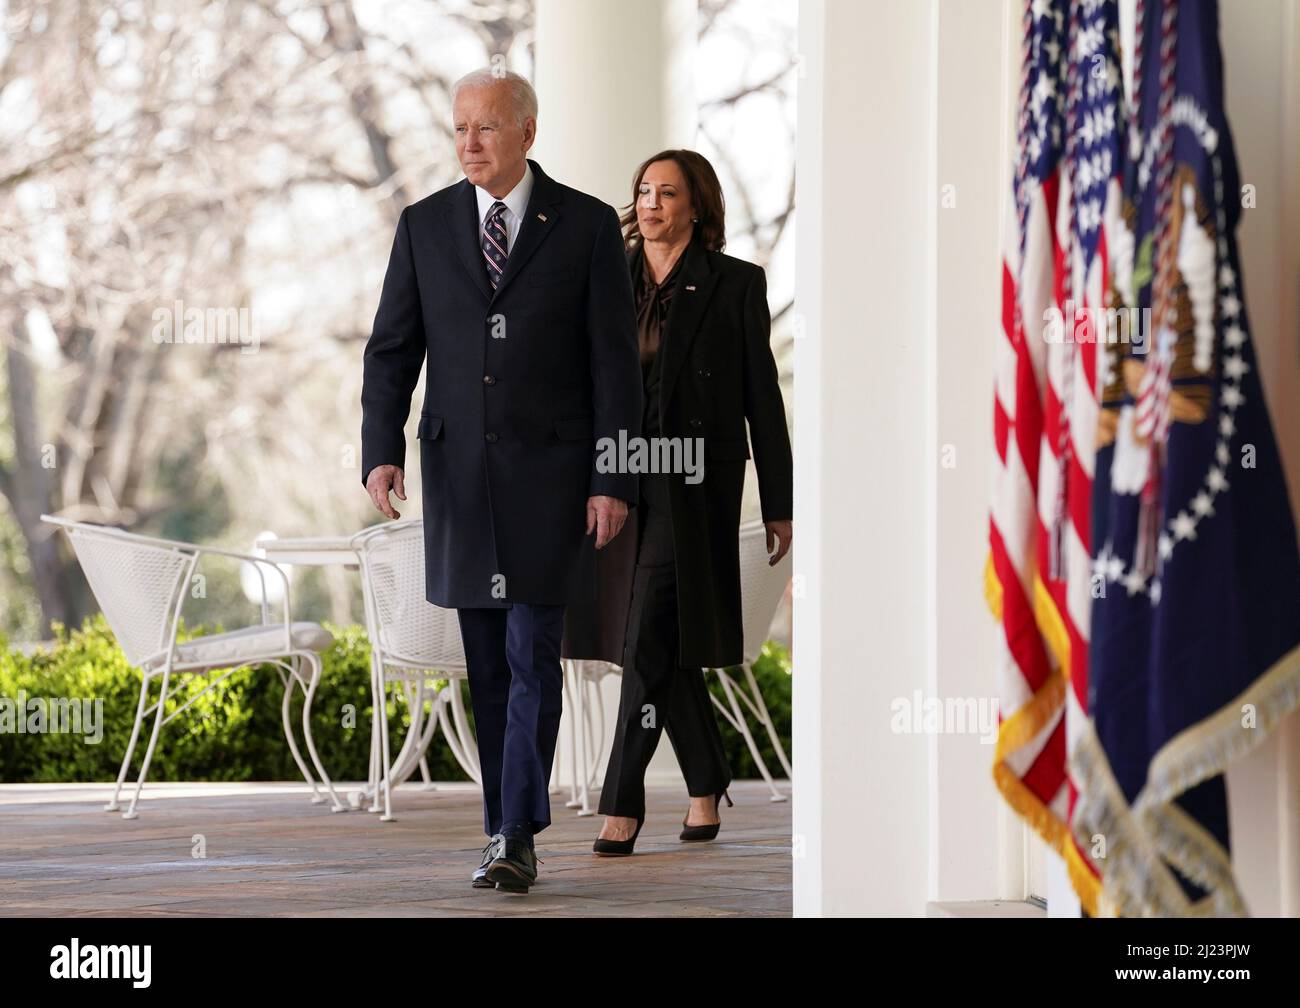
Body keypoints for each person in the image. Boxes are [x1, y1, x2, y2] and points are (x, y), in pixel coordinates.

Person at [360, 68, 641, 895]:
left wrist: (613, 476)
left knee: (530, 656)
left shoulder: (587, 227)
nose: (469, 144)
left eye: (485, 128)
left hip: (554, 481)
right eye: (458, 130)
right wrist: (382, 449)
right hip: (458, 479)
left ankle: (517, 832)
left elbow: (613, 367)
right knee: (487, 664)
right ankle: (501, 829)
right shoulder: (424, 225)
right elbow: (391, 350)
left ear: (527, 132)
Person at [585, 149, 793, 855]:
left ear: (696, 206)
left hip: (694, 480)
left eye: (667, 193)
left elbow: (761, 398)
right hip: (622, 473)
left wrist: (778, 500)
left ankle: (622, 805)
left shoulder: (734, 284)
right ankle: (705, 788)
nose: (650, 204)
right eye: (643, 190)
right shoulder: (608, 277)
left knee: (643, 633)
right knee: (662, 643)